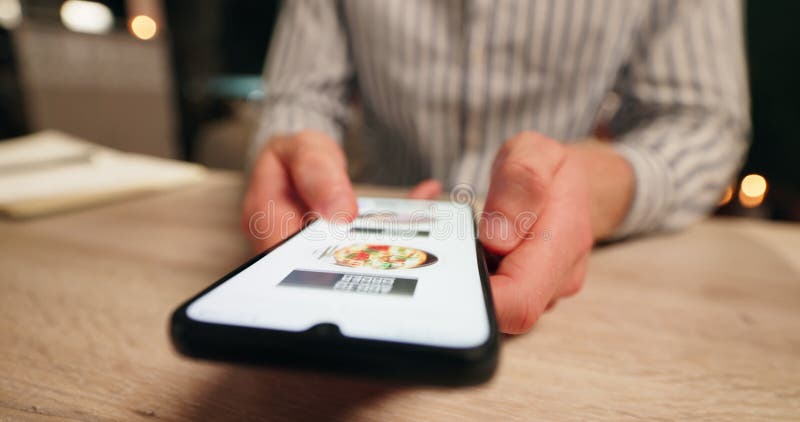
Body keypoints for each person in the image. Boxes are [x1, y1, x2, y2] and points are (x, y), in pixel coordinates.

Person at [241, 1, 749, 334]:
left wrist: (591, 190)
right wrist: (294, 148)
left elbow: (700, 122)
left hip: (585, 287)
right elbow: (300, 99)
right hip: (356, 238)